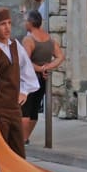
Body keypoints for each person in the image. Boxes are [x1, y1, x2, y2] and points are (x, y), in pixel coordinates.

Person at [0, 7, 39, 159]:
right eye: (2, 24)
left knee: (18, 152)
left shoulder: (16, 46)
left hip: (15, 109)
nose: (7, 27)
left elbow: (27, 71)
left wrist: (24, 91)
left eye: (9, 23)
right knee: (0, 153)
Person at [19, 9, 64, 144]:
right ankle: (25, 137)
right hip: (44, 80)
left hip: (30, 79)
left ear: (30, 23)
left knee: (24, 110)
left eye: (25, 21)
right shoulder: (49, 38)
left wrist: (40, 68)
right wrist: (48, 67)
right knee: (34, 110)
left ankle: (22, 139)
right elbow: (60, 56)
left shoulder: (29, 39)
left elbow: (25, 61)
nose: (23, 23)